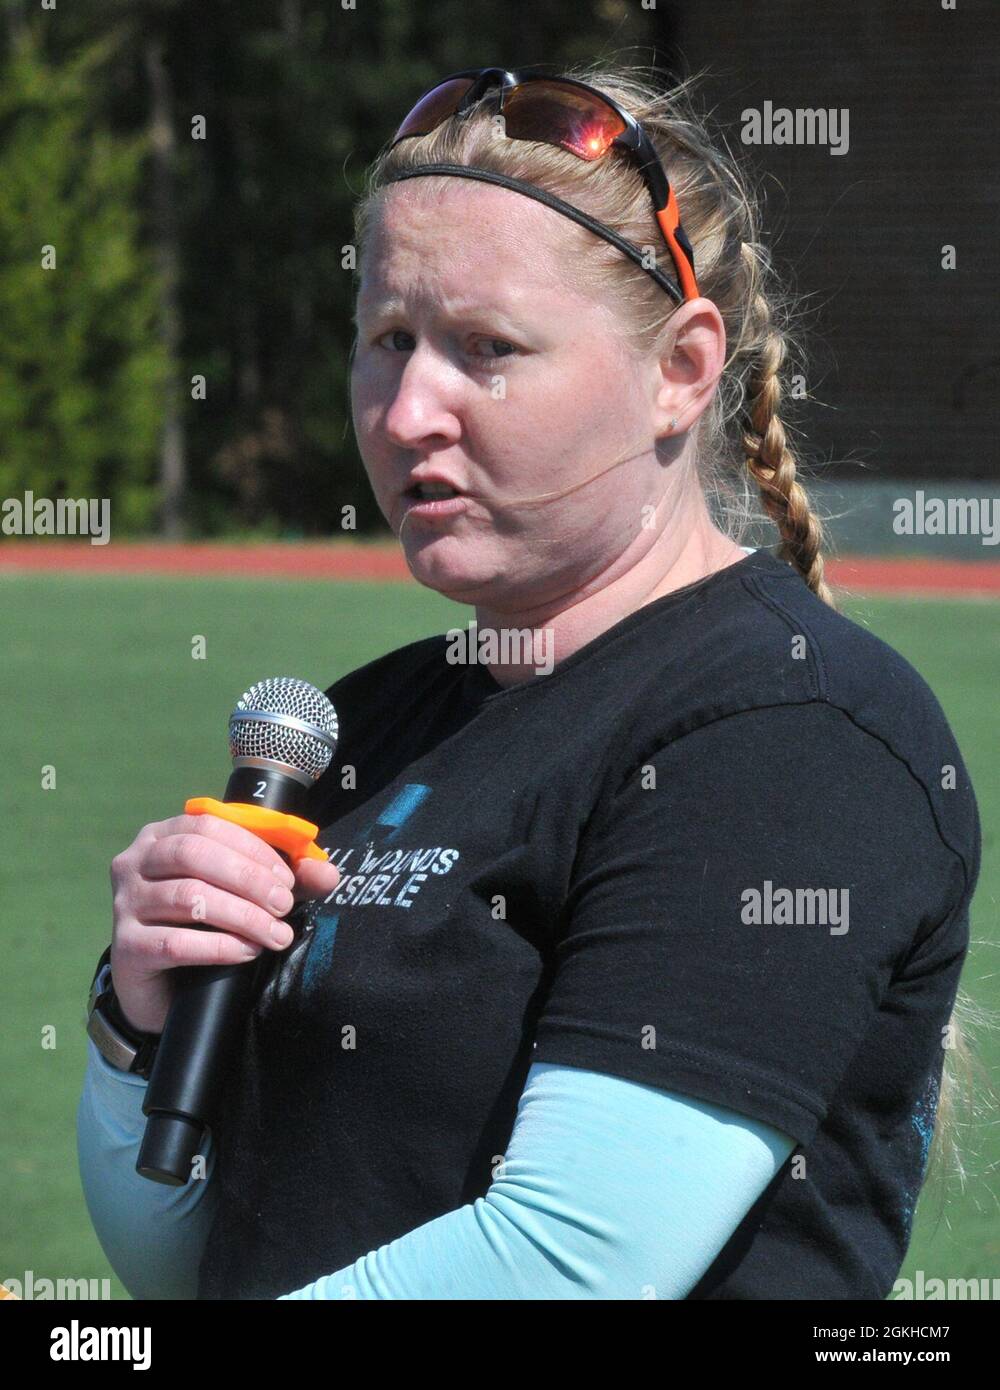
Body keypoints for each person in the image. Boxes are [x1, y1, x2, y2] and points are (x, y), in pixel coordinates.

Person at [77, 63, 981, 1300]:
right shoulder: (371, 722)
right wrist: (134, 1028)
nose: (406, 413)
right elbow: (191, 1267)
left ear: (681, 368)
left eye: (485, 348)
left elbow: (572, 1266)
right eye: (387, 341)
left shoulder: (789, 734)